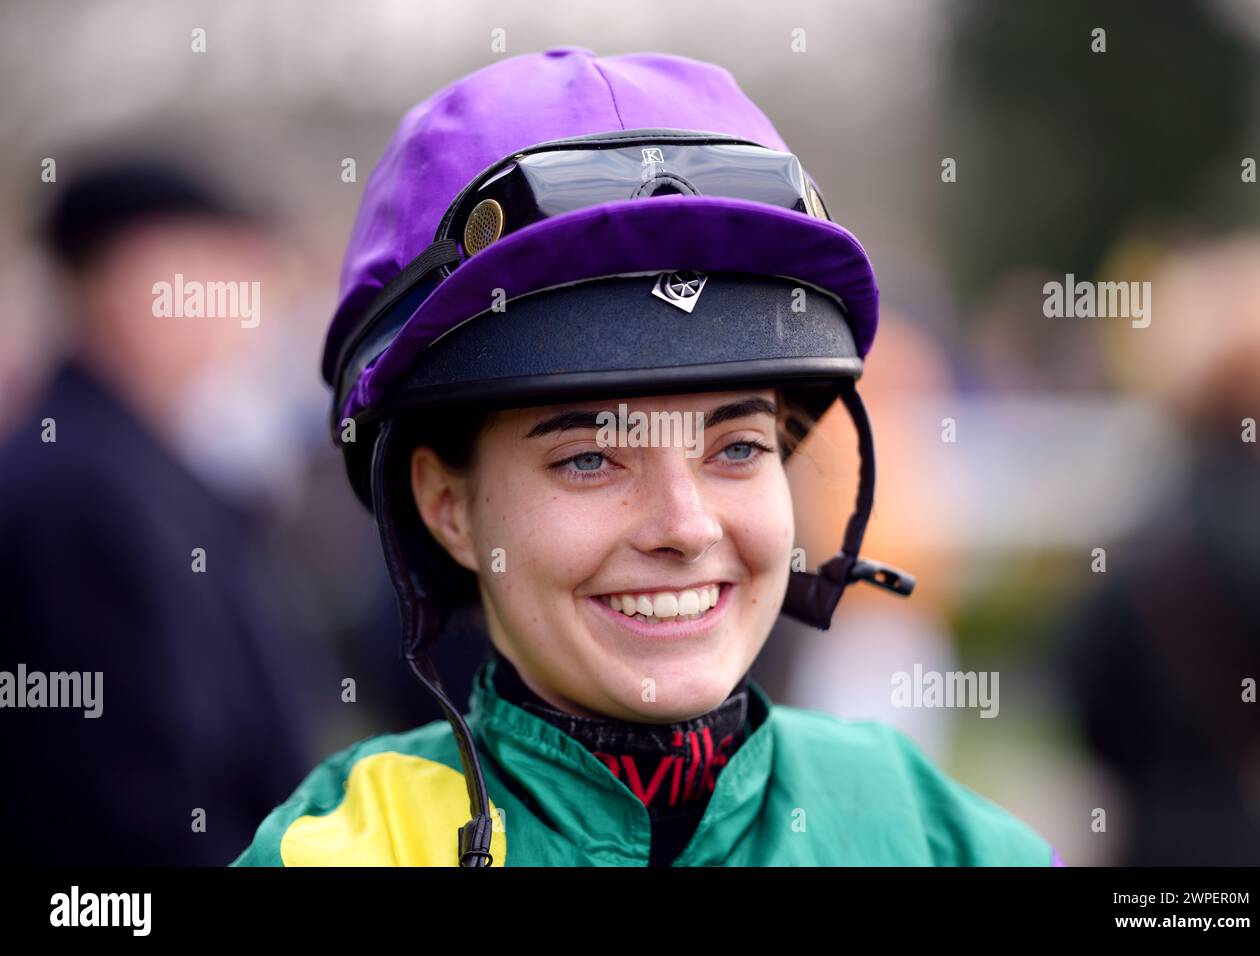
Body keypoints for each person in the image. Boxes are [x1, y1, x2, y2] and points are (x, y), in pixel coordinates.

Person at [233, 48, 1060, 867]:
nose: (685, 526)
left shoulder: (939, 840)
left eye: (737, 447)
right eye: (590, 459)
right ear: (447, 504)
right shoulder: (334, 854)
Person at [0, 158, 315, 864]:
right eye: (208, 271)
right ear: (116, 281)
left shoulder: (146, 460)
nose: (240, 306)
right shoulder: (75, 487)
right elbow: (120, 786)